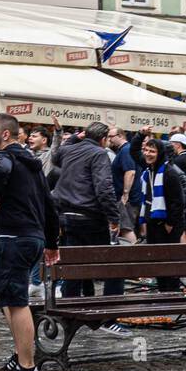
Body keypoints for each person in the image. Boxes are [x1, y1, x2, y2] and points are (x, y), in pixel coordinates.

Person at [0, 113, 60, 371]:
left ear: (6, 135)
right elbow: (49, 206)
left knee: (16, 300)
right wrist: (51, 242)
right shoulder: (33, 163)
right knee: (8, 295)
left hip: (15, 236)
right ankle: (20, 355)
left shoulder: (3, 158)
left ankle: (27, 367)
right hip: (32, 236)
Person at [51, 122, 124, 299]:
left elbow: (56, 155)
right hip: (89, 216)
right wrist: (114, 218)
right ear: (103, 139)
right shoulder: (99, 153)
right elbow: (104, 188)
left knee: (74, 262)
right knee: (116, 263)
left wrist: (76, 137)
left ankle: (72, 302)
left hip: (65, 215)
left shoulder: (70, 150)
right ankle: (110, 309)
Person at [138, 136, 186, 293]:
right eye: (146, 150)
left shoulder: (169, 172)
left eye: (152, 151)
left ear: (160, 153)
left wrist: (170, 224)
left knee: (168, 261)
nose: (148, 154)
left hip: (168, 224)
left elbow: (178, 201)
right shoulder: (149, 172)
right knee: (157, 260)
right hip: (154, 222)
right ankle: (162, 291)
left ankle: (170, 294)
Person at [107, 126, 142, 243]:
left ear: (121, 136)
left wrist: (125, 194)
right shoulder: (124, 150)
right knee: (124, 228)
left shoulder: (126, 150)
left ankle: (135, 255)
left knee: (126, 228)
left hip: (128, 199)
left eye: (111, 136)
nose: (109, 139)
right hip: (128, 198)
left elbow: (130, 172)